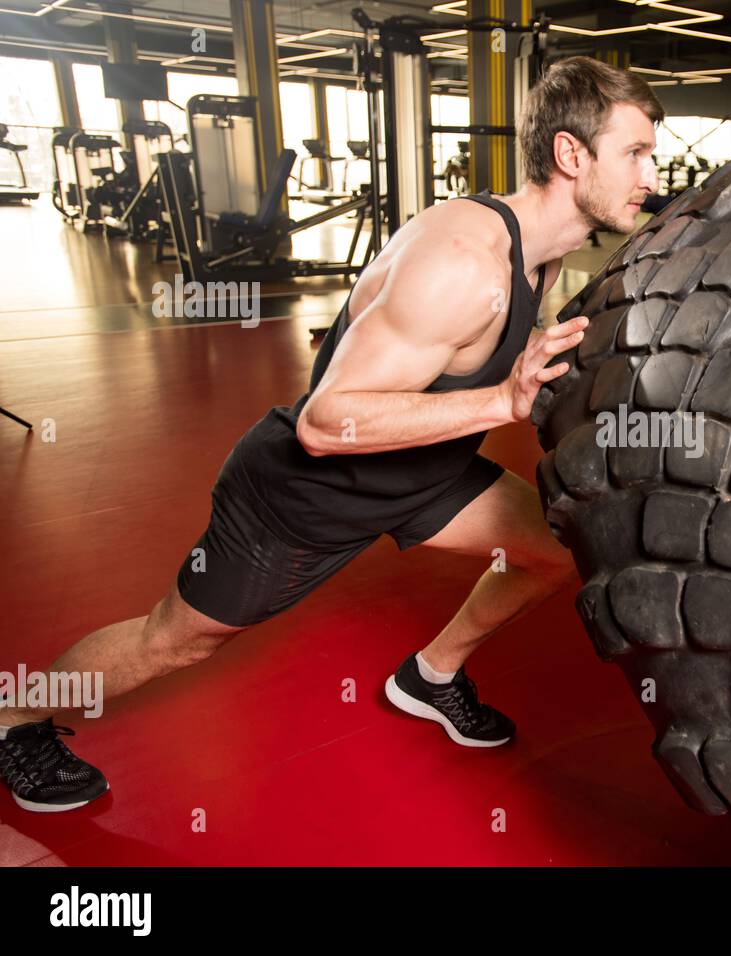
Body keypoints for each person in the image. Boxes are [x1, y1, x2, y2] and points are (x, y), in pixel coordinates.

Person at [0, 56, 665, 812]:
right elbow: (325, 422)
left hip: (422, 474)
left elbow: (474, 358)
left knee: (552, 548)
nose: (651, 170)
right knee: (172, 640)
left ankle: (430, 676)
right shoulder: (463, 263)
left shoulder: (540, 257)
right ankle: (16, 718)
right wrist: (503, 404)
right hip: (306, 494)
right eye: (635, 152)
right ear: (572, 155)